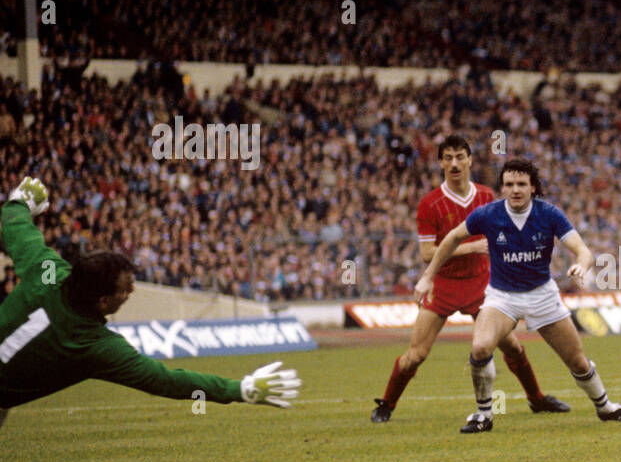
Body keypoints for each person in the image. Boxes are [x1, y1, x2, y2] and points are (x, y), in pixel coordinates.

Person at [0, 177, 299, 428]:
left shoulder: (46, 271)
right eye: (126, 290)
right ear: (103, 301)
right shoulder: (96, 347)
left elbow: (15, 225)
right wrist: (239, 389)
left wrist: (20, 200)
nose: (131, 294)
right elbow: (167, 381)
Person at [415, 158, 621, 433]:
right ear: (503, 188)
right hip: (502, 297)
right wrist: (428, 277)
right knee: (480, 347)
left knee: (577, 361)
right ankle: (484, 415)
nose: (515, 189)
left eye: (521, 184)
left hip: (542, 296)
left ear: (533, 187)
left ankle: (605, 408)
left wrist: (581, 265)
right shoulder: (488, 214)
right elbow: (451, 238)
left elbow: (583, 250)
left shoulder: (549, 214)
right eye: (509, 184)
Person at [371, 135, 567, 422]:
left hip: (483, 285)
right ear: (440, 162)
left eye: (460, 156)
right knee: (416, 355)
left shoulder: (487, 196)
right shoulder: (430, 204)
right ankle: (386, 404)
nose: (454, 163)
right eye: (448, 157)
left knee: (512, 345)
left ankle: (536, 399)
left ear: (470, 160)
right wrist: (472, 247)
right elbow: (427, 254)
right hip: (445, 286)